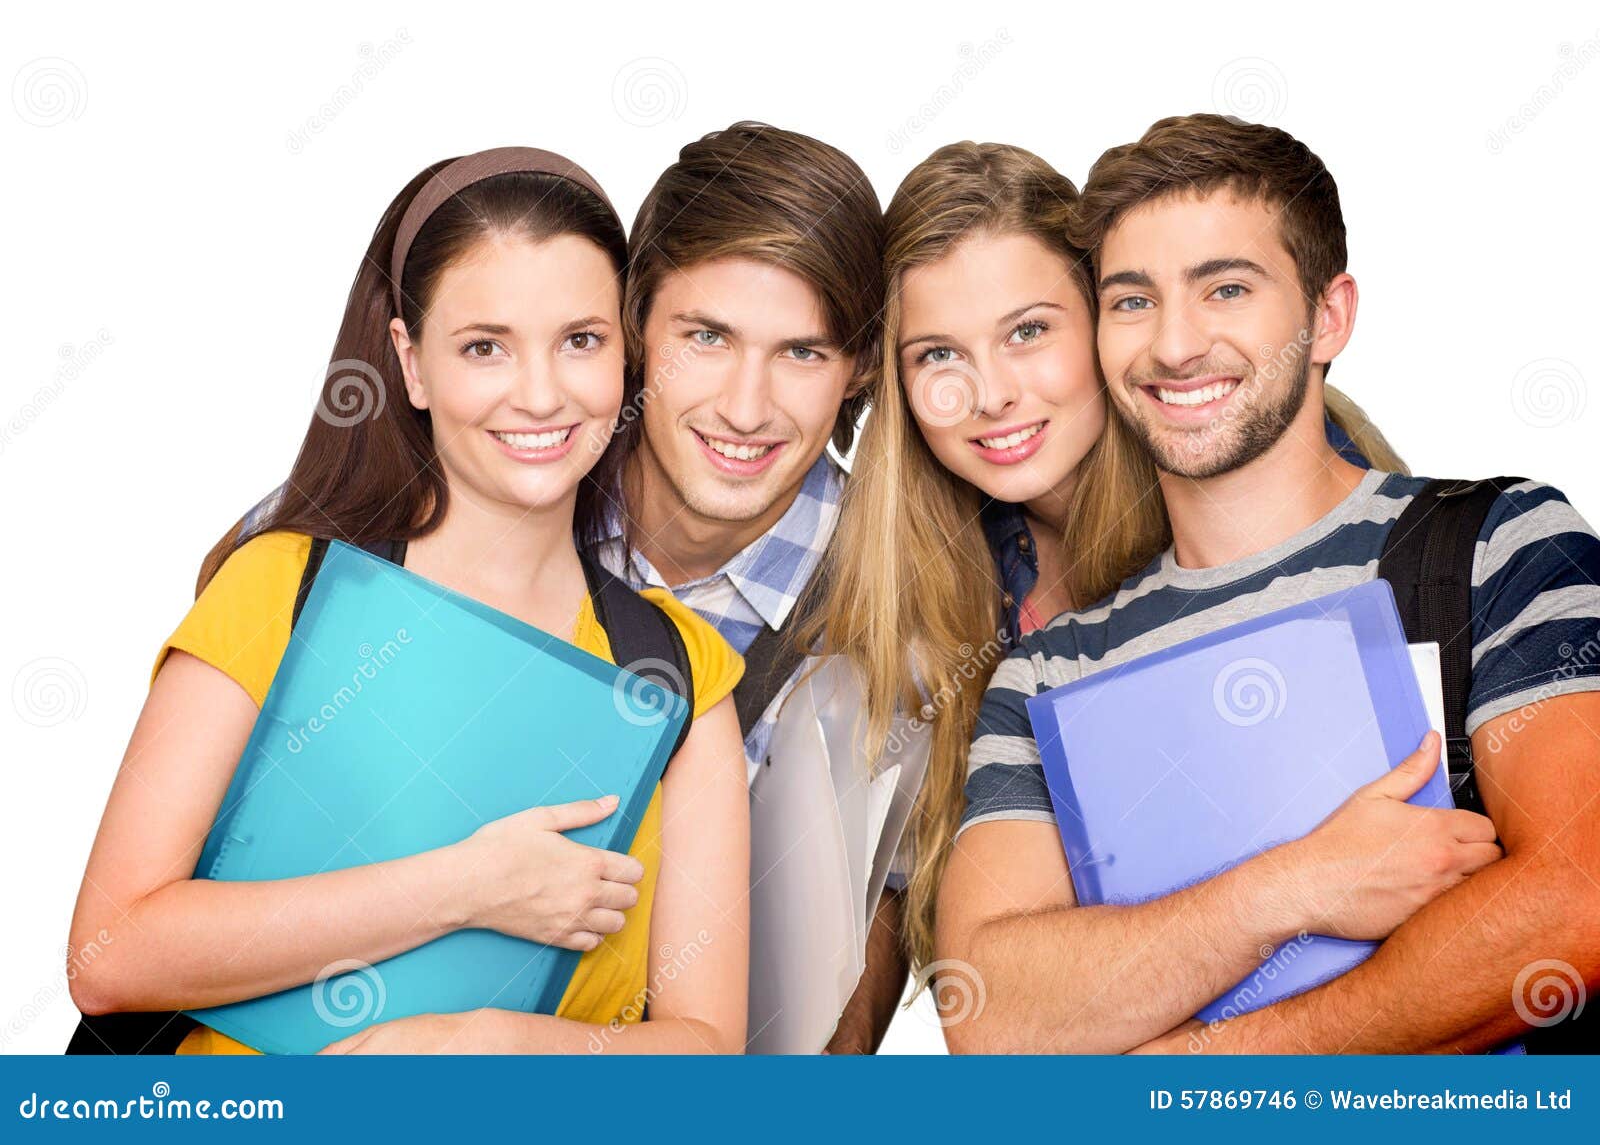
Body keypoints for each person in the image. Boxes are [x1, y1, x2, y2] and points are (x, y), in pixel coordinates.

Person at [935, 115, 1600, 1054]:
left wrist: (1194, 1073)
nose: (1174, 345)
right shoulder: (1047, 673)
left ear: (1329, 317)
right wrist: (1297, 886)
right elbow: (991, 1017)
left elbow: (1576, 902)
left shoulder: (1500, 544)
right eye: (1133, 302)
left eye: (1228, 289)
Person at [66, 148, 750, 1055]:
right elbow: (108, 956)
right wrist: (466, 886)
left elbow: (705, 1050)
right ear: (412, 363)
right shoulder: (282, 587)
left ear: (627, 355)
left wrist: (490, 1048)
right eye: (484, 347)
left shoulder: (675, 673)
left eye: (580, 340)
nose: (541, 393)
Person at [801, 138, 1404, 986]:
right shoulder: (935, 590)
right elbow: (911, 913)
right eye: (938, 354)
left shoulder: (1260, 480)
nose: (992, 394)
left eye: (1029, 331)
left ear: (1110, 318)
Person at [591, 122, 907, 1053]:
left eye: (802, 352)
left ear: (857, 366)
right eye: (707, 335)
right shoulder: (521, 479)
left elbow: (844, 1003)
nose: (744, 406)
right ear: (635, 326)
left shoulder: (902, 615)